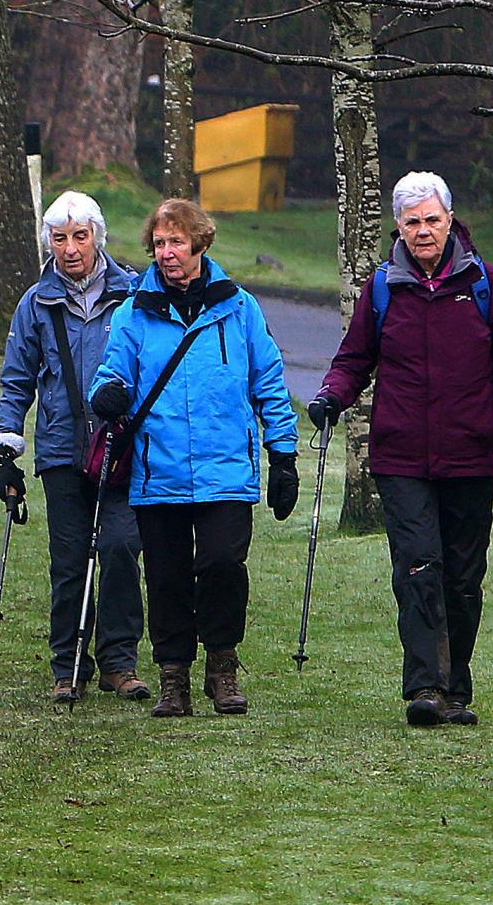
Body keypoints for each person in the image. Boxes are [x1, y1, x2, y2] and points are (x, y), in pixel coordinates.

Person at [305, 171, 493, 728]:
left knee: (462, 579)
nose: (423, 231)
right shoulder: (384, 288)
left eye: (432, 220)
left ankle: (456, 687)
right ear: (399, 227)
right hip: (401, 458)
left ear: (450, 221)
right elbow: (354, 358)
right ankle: (426, 687)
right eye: (412, 222)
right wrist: (330, 398)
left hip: (471, 456)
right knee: (418, 568)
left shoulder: (486, 284)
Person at [89, 198, 297, 719]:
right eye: (159, 244)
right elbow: (110, 374)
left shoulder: (240, 308)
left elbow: (269, 383)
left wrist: (284, 454)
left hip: (226, 469)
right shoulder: (132, 313)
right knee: (166, 577)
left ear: (200, 243)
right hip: (159, 472)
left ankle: (222, 668)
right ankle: (173, 677)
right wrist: (107, 394)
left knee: (224, 566)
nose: (166, 253)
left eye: (176, 242)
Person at [0, 191, 147, 703]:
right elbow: (17, 382)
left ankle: (120, 663)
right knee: (69, 558)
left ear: (97, 237)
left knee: (122, 549)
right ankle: (69, 665)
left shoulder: (135, 296)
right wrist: (5, 450)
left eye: (80, 236)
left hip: (122, 449)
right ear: (49, 242)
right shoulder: (35, 303)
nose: (71, 248)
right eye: (60, 238)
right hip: (60, 449)